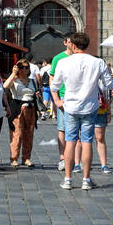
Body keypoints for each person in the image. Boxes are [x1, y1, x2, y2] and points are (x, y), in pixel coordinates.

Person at [51, 32, 113, 191]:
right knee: (87, 142)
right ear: (87, 45)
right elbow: (110, 85)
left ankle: (68, 179)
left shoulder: (63, 62)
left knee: (70, 142)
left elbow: (54, 86)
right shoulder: (97, 62)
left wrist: (58, 101)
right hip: (90, 107)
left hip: (70, 107)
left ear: (72, 45)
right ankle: (86, 179)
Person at [4, 59, 37, 167]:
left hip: (30, 108)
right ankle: (14, 158)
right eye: (21, 67)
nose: (24, 69)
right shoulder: (15, 80)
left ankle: (26, 158)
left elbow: (35, 92)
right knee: (16, 134)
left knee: (29, 134)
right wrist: (13, 73)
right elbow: (5, 86)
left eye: (26, 67)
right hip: (17, 108)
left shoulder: (33, 80)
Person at [49, 36, 74, 172]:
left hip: (76, 96)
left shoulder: (79, 57)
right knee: (62, 129)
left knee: (79, 131)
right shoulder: (58, 58)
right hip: (63, 96)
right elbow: (52, 78)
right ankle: (63, 158)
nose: (72, 44)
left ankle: (76, 160)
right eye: (70, 41)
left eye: (74, 42)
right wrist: (56, 99)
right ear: (65, 42)